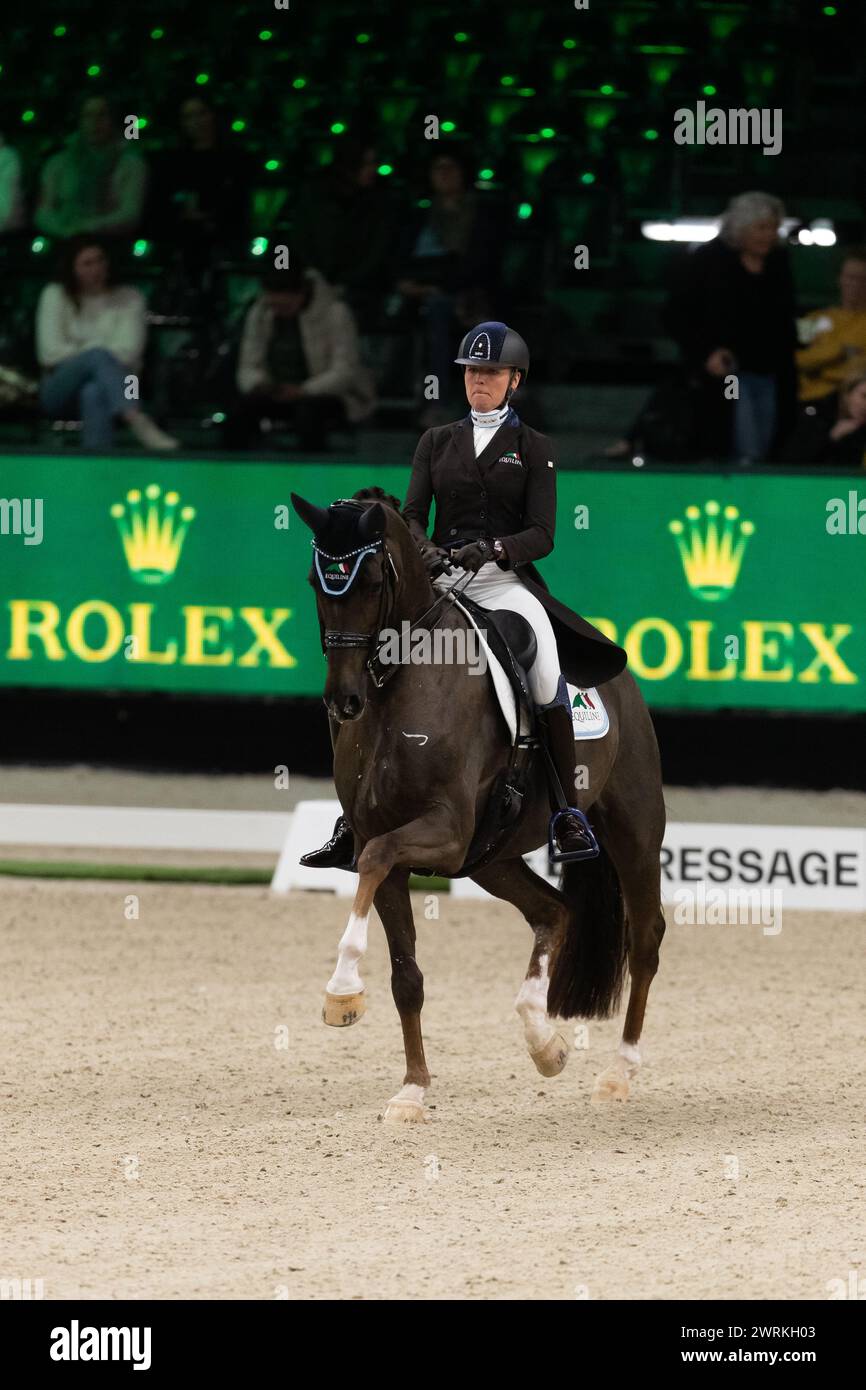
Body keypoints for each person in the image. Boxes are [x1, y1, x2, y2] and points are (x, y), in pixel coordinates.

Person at [302, 320, 628, 870]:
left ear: (514, 380)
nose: (480, 381)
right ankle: (351, 814)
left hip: (505, 584)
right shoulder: (437, 440)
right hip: (440, 581)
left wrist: (497, 549)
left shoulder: (534, 448)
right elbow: (410, 514)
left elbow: (543, 534)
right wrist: (426, 552)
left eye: (491, 372)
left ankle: (566, 813)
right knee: (369, 665)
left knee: (544, 668)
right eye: (473, 371)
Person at [665, 191, 797, 463]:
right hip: (727, 372)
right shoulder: (708, 259)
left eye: (773, 228)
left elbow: (784, 317)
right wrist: (706, 353)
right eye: (761, 228)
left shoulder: (778, 262)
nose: (769, 235)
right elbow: (676, 314)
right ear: (741, 228)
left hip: (771, 370)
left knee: (765, 448)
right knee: (743, 448)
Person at [392, 151, 504, 424]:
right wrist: (410, 285)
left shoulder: (484, 213)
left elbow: (486, 260)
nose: (444, 175)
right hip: (419, 293)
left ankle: (471, 403)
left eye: (450, 168)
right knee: (431, 312)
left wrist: (446, 287)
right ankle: (428, 400)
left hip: (471, 291)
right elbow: (402, 256)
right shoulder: (419, 214)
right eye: (437, 169)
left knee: (444, 312)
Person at [36, 236, 178, 451]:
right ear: (72, 268)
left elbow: (130, 355)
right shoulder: (54, 295)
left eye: (100, 260)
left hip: (130, 384)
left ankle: (96, 466)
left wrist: (86, 356)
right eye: (87, 263)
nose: (96, 269)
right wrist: (93, 358)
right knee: (97, 356)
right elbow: (49, 354)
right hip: (60, 384)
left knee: (93, 390)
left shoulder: (131, 297)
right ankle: (137, 419)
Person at [229, 265, 376, 451]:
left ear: (301, 294)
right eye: (273, 305)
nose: (278, 310)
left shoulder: (336, 313)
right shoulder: (260, 313)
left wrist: (304, 390)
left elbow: (345, 371)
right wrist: (259, 384)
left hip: (328, 395)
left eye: (285, 305)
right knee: (240, 409)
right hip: (277, 391)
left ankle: (313, 474)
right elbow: (248, 363)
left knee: (309, 414)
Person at [293, 140, 393, 324]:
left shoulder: (380, 200)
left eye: (375, 163)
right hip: (316, 284)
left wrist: (348, 283)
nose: (374, 169)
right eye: (367, 163)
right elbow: (303, 240)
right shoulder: (314, 193)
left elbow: (378, 250)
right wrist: (320, 279)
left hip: (364, 290)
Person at [35, 96, 147, 240]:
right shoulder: (57, 163)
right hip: (63, 240)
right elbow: (43, 212)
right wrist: (64, 230)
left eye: (102, 115)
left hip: (113, 243)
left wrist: (87, 228)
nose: (95, 122)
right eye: (88, 115)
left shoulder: (132, 164)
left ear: (113, 119)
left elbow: (130, 214)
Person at [796, 248, 866, 413]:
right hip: (814, 403)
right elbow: (797, 359)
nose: (855, 284)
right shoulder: (813, 319)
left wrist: (823, 366)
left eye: (862, 279)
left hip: (857, 406)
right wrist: (839, 351)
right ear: (840, 278)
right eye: (850, 277)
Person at [782, 367, 866, 466]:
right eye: (864, 396)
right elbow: (789, 462)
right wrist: (832, 437)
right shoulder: (815, 416)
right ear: (847, 394)